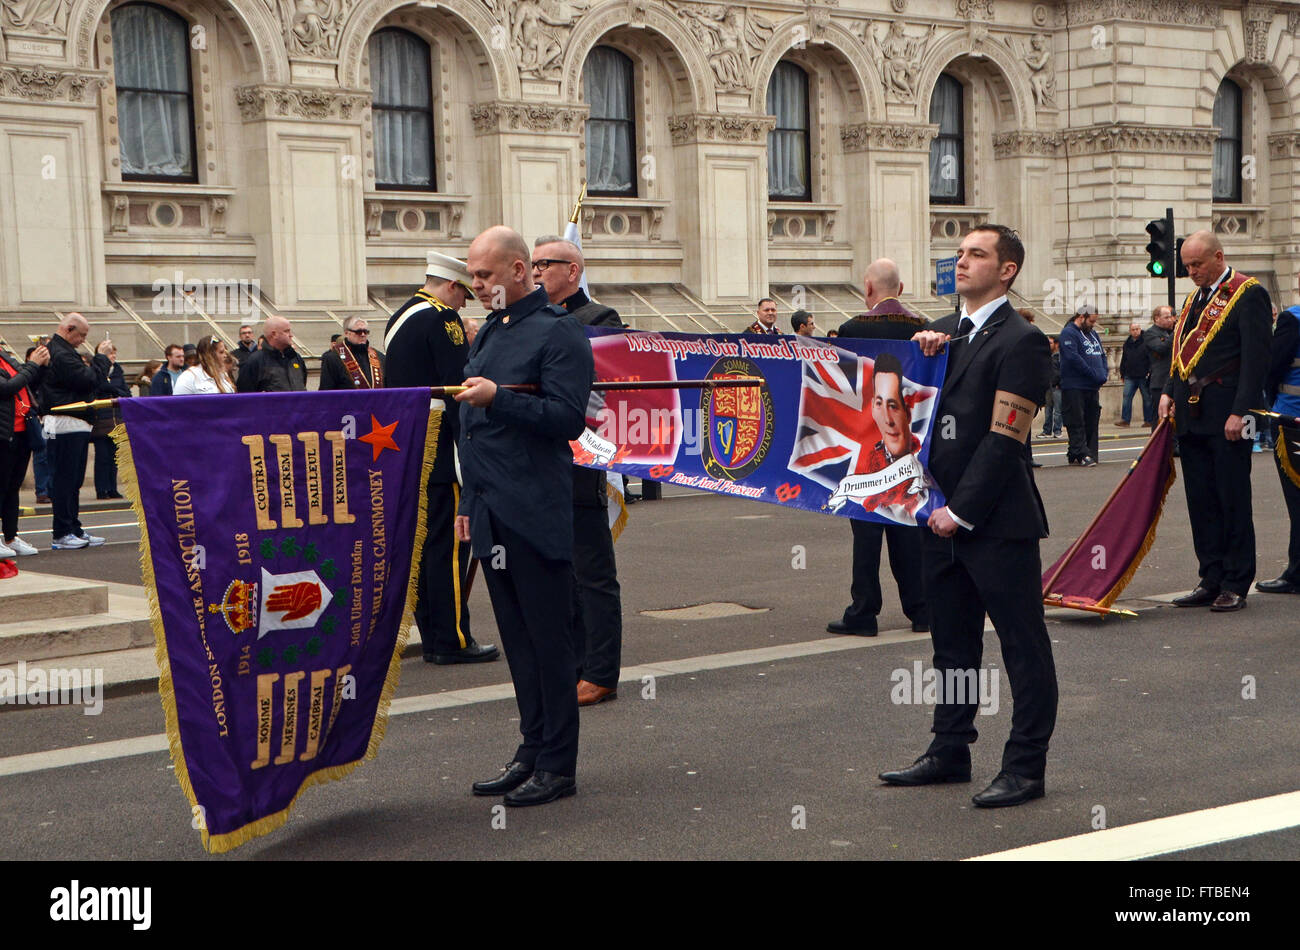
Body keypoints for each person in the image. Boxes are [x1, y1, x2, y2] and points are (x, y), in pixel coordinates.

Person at [881, 224, 1056, 808]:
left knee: (1021, 646)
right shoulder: (947, 333)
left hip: (995, 523)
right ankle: (950, 747)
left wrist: (961, 511)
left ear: (1006, 270)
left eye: (976, 254)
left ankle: (1025, 766)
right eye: (958, 253)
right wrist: (928, 350)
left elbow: (1004, 439)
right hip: (937, 518)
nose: (962, 262)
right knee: (953, 647)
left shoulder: (1022, 341)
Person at [455, 225, 592, 807]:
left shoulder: (560, 333)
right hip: (489, 510)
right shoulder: (490, 330)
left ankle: (558, 765)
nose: (476, 285)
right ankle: (531, 749)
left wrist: (500, 398)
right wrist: (466, 504)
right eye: (473, 275)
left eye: (484, 274)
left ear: (518, 270)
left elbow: (568, 419)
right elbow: (471, 429)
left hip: (534, 511)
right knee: (517, 640)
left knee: (549, 643)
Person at [384, 251, 498, 665]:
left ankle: (433, 634)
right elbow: (459, 388)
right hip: (441, 443)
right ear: (450, 285)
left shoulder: (399, 316)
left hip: (409, 442)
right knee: (449, 546)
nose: (465, 302)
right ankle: (452, 638)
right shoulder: (442, 319)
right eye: (463, 293)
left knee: (425, 545)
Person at [532, 234, 625, 707]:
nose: (534, 272)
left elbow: (604, 387)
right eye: (531, 264)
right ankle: (573, 664)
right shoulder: (534, 319)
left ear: (572, 271)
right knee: (558, 572)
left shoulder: (599, 320)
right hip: (542, 461)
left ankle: (602, 671)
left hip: (584, 459)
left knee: (592, 572)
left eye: (544, 264)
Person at [1159, 230, 1272, 612]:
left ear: (1219, 257)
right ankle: (1210, 576)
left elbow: (1257, 361)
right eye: (1187, 265)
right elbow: (1181, 355)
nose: (1191, 272)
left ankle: (1236, 581)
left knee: (1232, 498)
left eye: (1198, 264)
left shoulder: (1248, 293)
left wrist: (1241, 411)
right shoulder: (1194, 299)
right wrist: (1166, 393)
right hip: (1192, 415)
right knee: (1201, 500)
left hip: (1227, 413)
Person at [829, 258, 928, 637]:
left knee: (867, 535)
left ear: (868, 289)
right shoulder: (923, 330)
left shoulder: (852, 329)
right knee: (908, 529)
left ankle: (864, 611)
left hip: (865, 448)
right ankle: (921, 609)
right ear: (900, 290)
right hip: (909, 451)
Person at [38, 314, 116, 551]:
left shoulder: (63, 351)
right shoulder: (61, 354)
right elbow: (89, 380)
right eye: (81, 335)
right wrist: (101, 358)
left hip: (72, 422)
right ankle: (62, 532)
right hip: (64, 423)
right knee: (64, 479)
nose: (83, 340)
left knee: (72, 480)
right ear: (69, 328)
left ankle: (73, 528)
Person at [1257, 280, 1300, 595]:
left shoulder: (1293, 318)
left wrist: (1270, 402)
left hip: (1292, 417)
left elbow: (1271, 368)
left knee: (1297, 502)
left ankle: (1297, 574)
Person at [0, 342, 49, 558]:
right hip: (3, 432)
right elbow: (6, 388)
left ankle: (11, 537)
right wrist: (32, 365)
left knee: (12, 487)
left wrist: (41, 366)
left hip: (21, 431)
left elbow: (26, 382)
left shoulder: (4, 355)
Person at [1059, 305, 1107, 466]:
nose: (1093, 324)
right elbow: (1073, 358)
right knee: (1076, 419)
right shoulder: (1068, 333)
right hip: (1075, 385)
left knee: (1091, 419)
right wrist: (1092, 373)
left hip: (1092, 385)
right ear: (1081, 317)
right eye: (1091, 321)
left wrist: (1103, 373)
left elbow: (1102, 354)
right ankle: (1081, 452)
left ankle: (1084, 451)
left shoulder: (1093, 334)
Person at [92, 342, 130, 499]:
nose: (113, 357)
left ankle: (112, 487)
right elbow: (99, 389)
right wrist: (112, 390)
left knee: (114, 457)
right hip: (101, 419)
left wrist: (113, 390)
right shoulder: (96, 371)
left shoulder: (118, 371)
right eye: (109, 354)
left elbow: (126, 392)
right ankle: (101, 489)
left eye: (114, 353)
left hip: (116, 419)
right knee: (102, 456)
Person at [235, 317, 307, 392]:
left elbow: (302, 383)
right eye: (287, 331)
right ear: (274, 334)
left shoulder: (296, 358)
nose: (291, 335)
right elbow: (246, 394)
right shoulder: (255, 361)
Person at [318, 316, 384, 390]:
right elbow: (326, 390)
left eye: (365, 332)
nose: (363, 335)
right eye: (358, 332)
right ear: (347, 333)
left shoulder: (379, 356)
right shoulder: (332, 358)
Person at [1143, 305, 1175, 429]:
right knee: (1160, 419)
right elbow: (1160, 348)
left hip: (1172, 381)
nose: (1171, 320)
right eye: (1166, 317)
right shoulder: (1150, 333)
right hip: (1160, 382)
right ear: (1157, 319)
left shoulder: (1169, 332)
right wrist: (1176, 333)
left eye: (1171, 317)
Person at [1118, 320, 1152, 427]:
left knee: (1147, 398)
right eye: (1133, 330)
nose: (1135, 331)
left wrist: (1149, 372)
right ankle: (1125, 420)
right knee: (1126, 398)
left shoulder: (1146, 341)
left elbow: (1151, 358)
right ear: (1130, 331)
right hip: (1130, 375)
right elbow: (1124, 359)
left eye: (1137, 329)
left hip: (1143, 375)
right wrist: (1122, 373)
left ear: (1140, 329)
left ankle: (1148, 420)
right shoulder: (1127, 343)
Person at [1039, 336, 1062, 438]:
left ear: (1056, 344)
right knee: (1048, 410)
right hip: (1048, 386)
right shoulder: (1047, 356)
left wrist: (1059, 383)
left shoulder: (1060, 357)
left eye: (1050, 343)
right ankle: (1047, 430)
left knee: (1057, 411)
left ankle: (1057, 431)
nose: (1048, 345)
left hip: (1057, 387)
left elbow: (1063, 372)